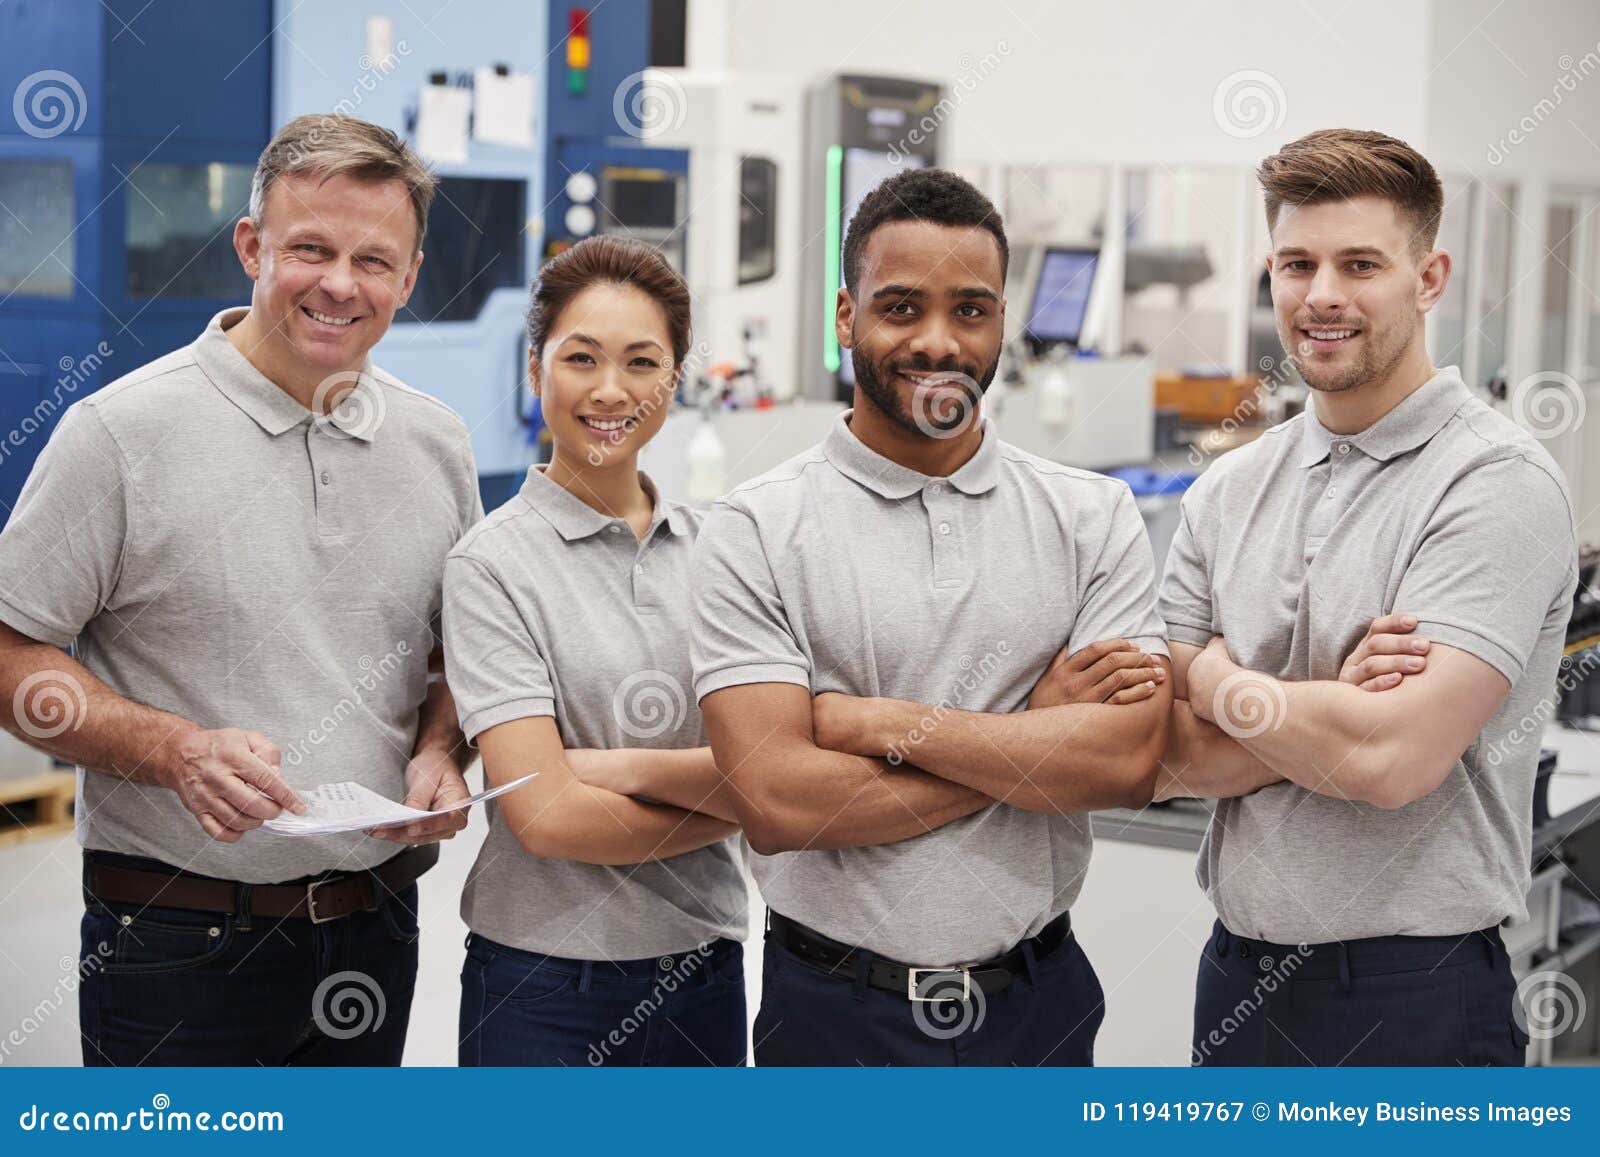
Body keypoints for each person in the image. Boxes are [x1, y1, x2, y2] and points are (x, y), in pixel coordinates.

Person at [0, 114, 483, 1066]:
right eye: (311, 249)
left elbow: (458, 649)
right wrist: (176, 751)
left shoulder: (437, 443)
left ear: (410, 276)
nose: (340, 284)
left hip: (376, 926)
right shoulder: (120, 434)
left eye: (373, 260)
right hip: (175, 941)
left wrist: (441, 744)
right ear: (252, 246)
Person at [690, 168, 1172, 1066]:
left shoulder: (1091, 515)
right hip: (835, 1017)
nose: (939, 341)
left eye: (971, 310)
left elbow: (1124, 762)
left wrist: (879, 725)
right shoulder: (755, 529)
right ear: (847, 316)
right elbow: (780, 801)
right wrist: (1033, 733)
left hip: (1040, 1008)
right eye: (902, 306)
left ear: (1002, 321)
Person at [1157, 128, 1577, 1066]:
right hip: (1235, 977)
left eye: (1360, 264)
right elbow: (1156, 757)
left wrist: (1216, 680)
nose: (1322, 295)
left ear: (1429, 278)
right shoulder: (1228, 487)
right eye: (1297, 264)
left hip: (1413, 996)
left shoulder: (1493, 482)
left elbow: (1391, 760)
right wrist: (1330, 708)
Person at [445, 236, 748, 1067]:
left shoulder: (725, 554)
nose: (611, 389)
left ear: (673, 381)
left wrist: (611, 769)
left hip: (705, 969)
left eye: (642, 362)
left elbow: (781, 775)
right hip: (541, 984)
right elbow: (547, 818)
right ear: (535, 369)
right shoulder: (490, 565)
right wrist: (739, 798)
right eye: (581, 358)